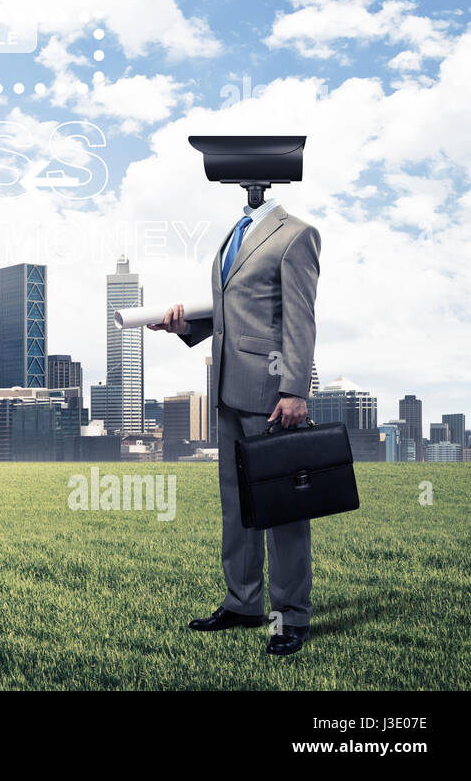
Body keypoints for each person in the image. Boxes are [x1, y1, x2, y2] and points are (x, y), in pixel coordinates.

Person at [149, 196, 321, 656]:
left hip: (272, 394)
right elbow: (234, 310)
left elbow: (300, 317)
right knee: (238, 506)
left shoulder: (296, 234)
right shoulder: (235, 233)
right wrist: (185, 328)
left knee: (282, 510)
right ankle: (243, 603)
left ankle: (291, 618)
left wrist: (294, 390)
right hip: (229, 388)